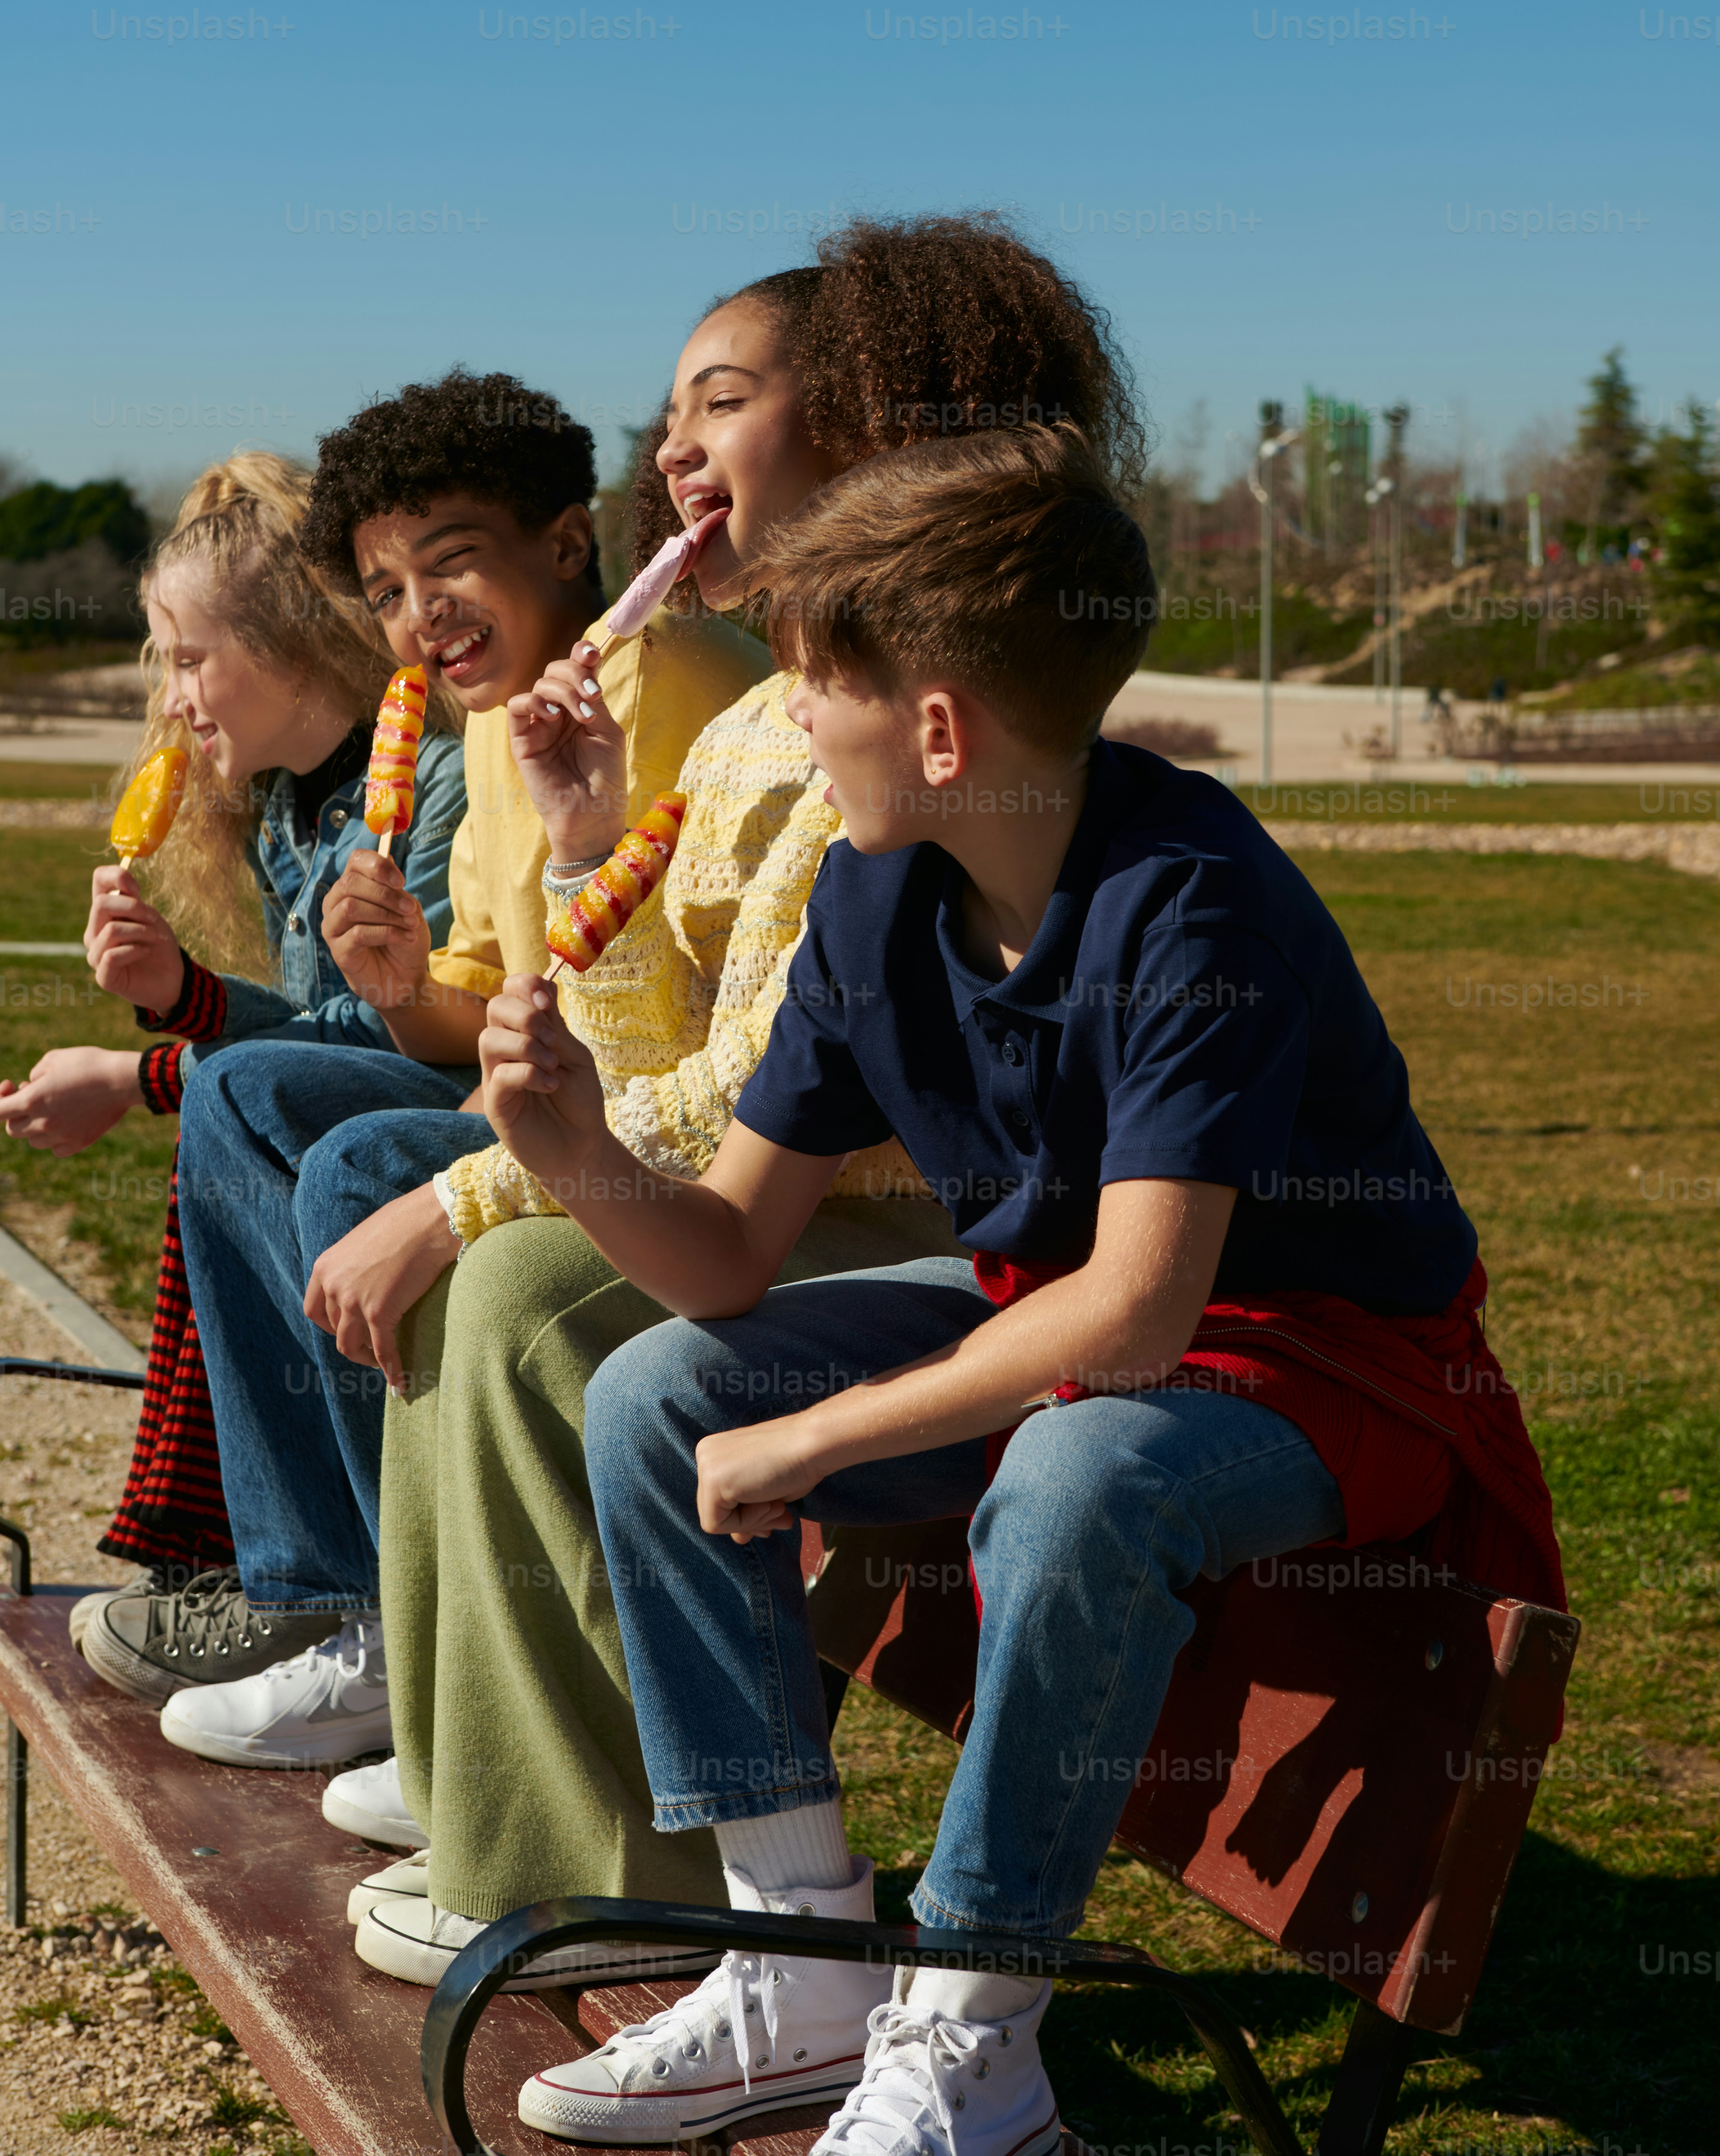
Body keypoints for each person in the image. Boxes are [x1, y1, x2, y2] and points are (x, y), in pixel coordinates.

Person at [482, 430, 1565, 2151]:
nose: (793, 724)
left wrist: (822, 1435)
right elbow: (725, 1255)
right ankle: (799, 1959)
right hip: (1056, 1324)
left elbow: (1139, 1317)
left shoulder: (1189, 909)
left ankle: (978, 2038)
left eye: (815, 686)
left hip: (1327, 1376)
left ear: (935, 727)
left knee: (1075, 1465)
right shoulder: (871, 896)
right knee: (656, 1392)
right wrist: (569, 1150)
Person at [326, 216, 1153, 1991]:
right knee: (395, 1192)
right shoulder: (765, 721)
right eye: (670, 414)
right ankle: (492, 1777)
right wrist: (576, 841)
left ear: (868, 433)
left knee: (530, 1291)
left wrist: (478, 1195)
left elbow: (768, 1109)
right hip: (787, 1201)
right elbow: (665, 1077)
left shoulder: (875, 731)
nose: (674, 454)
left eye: (724, 402)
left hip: (927, 1229)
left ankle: (591, 1859)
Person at [97, 372, 766, 1796]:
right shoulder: (484, 724)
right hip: (533, 1092)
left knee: (350, 1169)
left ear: (570, 548)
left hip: (660, 1140)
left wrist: (459, 1111)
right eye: (387, 587)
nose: (419, 614)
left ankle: (424, 1643)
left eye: (450, 560)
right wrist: (405, 982)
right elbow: (467, 1007)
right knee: (241, 1093)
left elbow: (680, 1015)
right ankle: (328, 1589)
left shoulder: (686, 686)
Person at [0, 451, 465, 1645]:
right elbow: (322, 1033)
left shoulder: (426, 784)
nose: (175, 698)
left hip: (457, 1139)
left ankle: (316, 1597)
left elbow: (383, 1038)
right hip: (360, 1116)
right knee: (238, 1098)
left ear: (294, 638)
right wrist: (182, 1001)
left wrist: (177, 1033)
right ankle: (263, 1575)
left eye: (192, 659)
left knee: (242, 1103)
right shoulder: (286, 805)